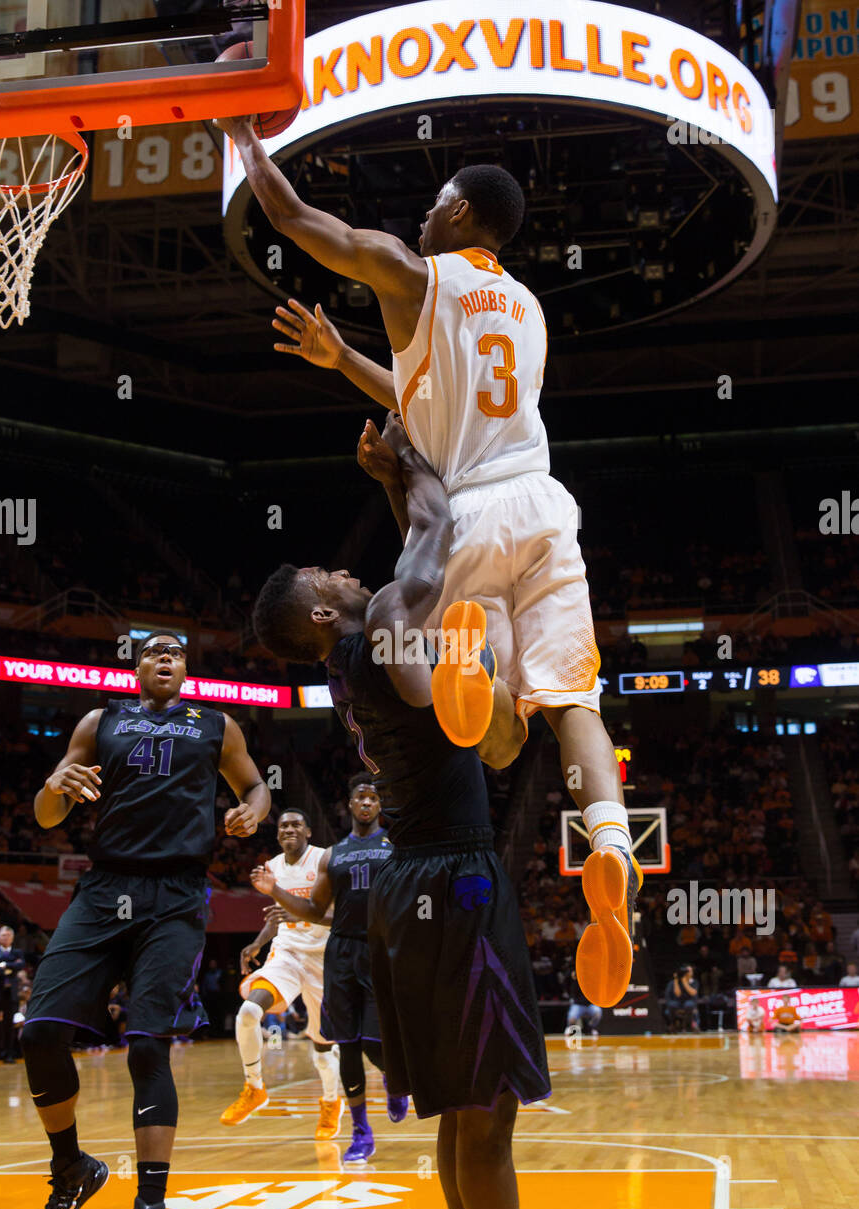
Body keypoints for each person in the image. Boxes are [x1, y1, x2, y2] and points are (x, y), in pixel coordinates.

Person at [215, 115, 642, 1011]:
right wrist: (346, 362)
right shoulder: (527, 310)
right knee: (572, 705)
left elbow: (298, 219)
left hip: (465, 517)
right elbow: (432, 393)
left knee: (491, 737)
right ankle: (610, 844)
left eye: (431, 205)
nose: (418, 217)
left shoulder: (415, 274)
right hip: (545, 503)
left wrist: (241, 139)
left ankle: (470, 677)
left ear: (456, 213)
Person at [251, 412, 549, 1209]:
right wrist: (415, 454)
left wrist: (394, 483)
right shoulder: (381, 615)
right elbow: (437, 530)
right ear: (320, 611)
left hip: (407, 886)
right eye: (325, 574)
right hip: (455, 875)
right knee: (487, 1109)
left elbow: (419, 546)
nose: (344, 569)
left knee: (461, 1108)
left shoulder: (360, 658)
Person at [20, 631, 270, 1209]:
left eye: (177, 653)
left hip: (178, 895)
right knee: (40, 1033)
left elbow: (254, 790)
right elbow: (48, 815)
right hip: (104, 888)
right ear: (136, 668)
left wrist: (252, 811)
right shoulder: (99, 721)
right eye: (154, 651)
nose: (166, 658)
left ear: (186, 669)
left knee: (146, 1045)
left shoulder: (217, 725)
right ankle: (71, 1168)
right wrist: (56, 784)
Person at [251, 777, 406, 1164]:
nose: (367, 803)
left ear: (379, 805)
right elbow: (316, 911)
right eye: (360, 797)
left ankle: (396, 1081)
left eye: (373, 797)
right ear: (350, 805)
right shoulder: (332, 855)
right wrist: (275, 891)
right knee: (347, 1045)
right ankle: (361, 1132)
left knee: (374, 1042)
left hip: (380, 952)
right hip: (340, 953)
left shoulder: (395, 847)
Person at [221, 810, 343, 1140]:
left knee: (321, 1045)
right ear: (278, 835)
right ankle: (254, 1087)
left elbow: (340, 915)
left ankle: (331, 1103)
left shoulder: (325, 860)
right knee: (248, 1012)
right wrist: (258, 943)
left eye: (295, 824)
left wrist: (294, 911)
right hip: (286, 954)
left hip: (323, 958)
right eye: (283, 825)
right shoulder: (273, 867)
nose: (289, 829)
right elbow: (276, 918)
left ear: (308, 831)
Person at [0, 924, 26, 1062]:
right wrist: (12, 966)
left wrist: (4, 965)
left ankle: (9, 1053)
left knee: (10, 1024)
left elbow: (21, 965)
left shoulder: (18, 952)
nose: (5, 938)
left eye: (8, 935)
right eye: (3, 935)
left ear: (12, 938)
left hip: (11, 993)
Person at [663, 966, 699, 1031]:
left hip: (689, 1001)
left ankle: (689, 1024)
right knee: (671, 1004)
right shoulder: (674, 982)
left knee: (689, 1004)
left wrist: (684, 981)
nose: (688, 973)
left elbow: (693, 993)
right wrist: (676, 981)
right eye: (687, 971)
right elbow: (678, 994)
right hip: (678, 1002)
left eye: (690, 971)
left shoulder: (694, 982)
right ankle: (674, 1024)